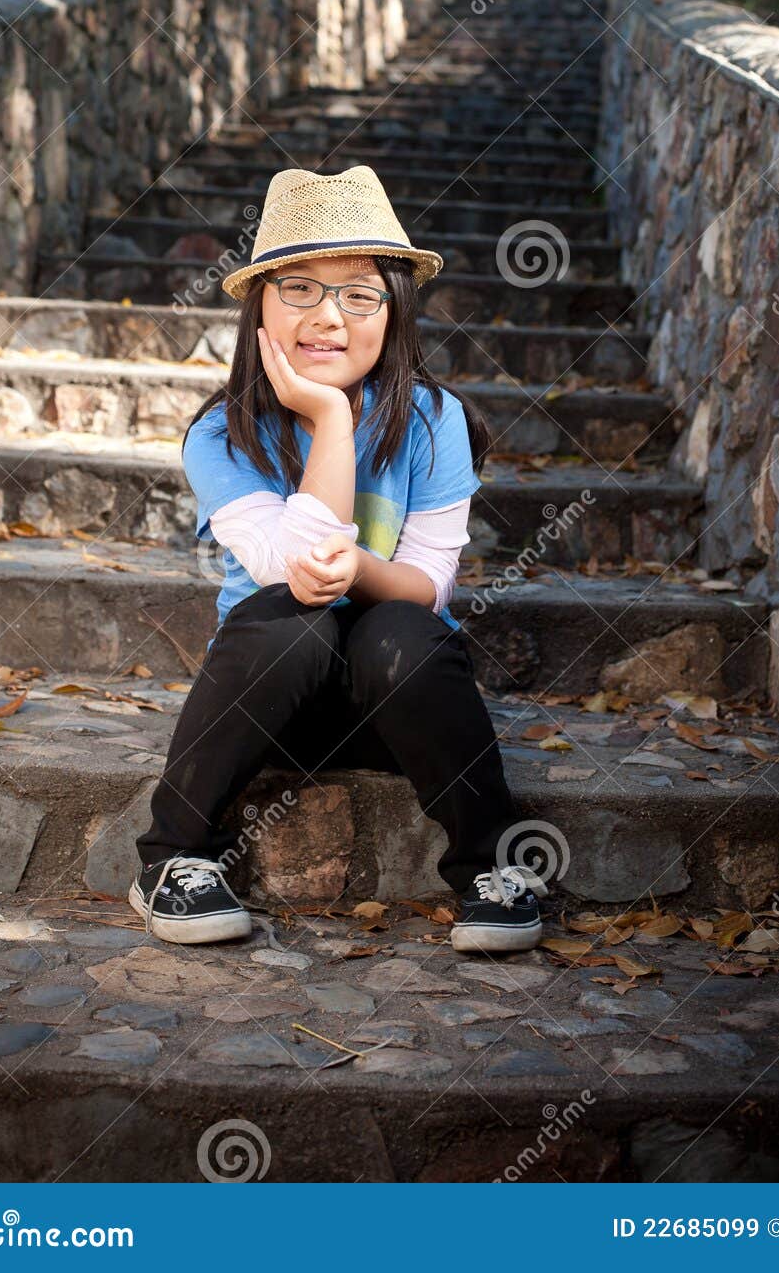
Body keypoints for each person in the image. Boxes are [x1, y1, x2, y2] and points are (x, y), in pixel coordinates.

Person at [128, 163, 543, 954]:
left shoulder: (432, 419)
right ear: (258, 306)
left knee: (400, 625)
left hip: (401, 706)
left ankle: (492, 868)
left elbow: (429, 583)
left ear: (395, 311)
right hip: (273, 709)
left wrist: (358, 570)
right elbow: (291, 565)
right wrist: (331, 421)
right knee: (293, 618)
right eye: (299, 289)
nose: (328, 316)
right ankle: (173, 856)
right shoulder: (220, 434)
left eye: (359, 295)